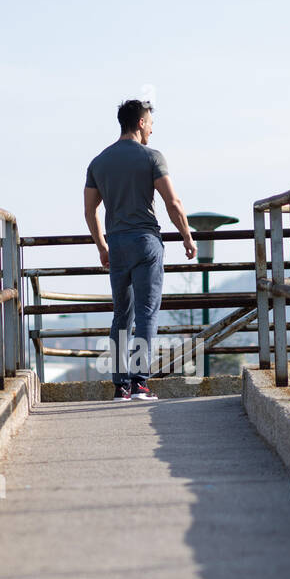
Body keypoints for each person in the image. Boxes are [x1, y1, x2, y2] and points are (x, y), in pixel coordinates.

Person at [84, 99, 196, 400]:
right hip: (145, 242)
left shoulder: (98, 162)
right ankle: (139, 383)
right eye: (150, 124)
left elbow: (89, 210)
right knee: (146, 313)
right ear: (141, 123)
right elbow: (173, 202)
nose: (151, 131)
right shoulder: (151, 157)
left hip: (117, 245)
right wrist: (187, 236)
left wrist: (102, 246)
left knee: (121, 314)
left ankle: (120, 385)